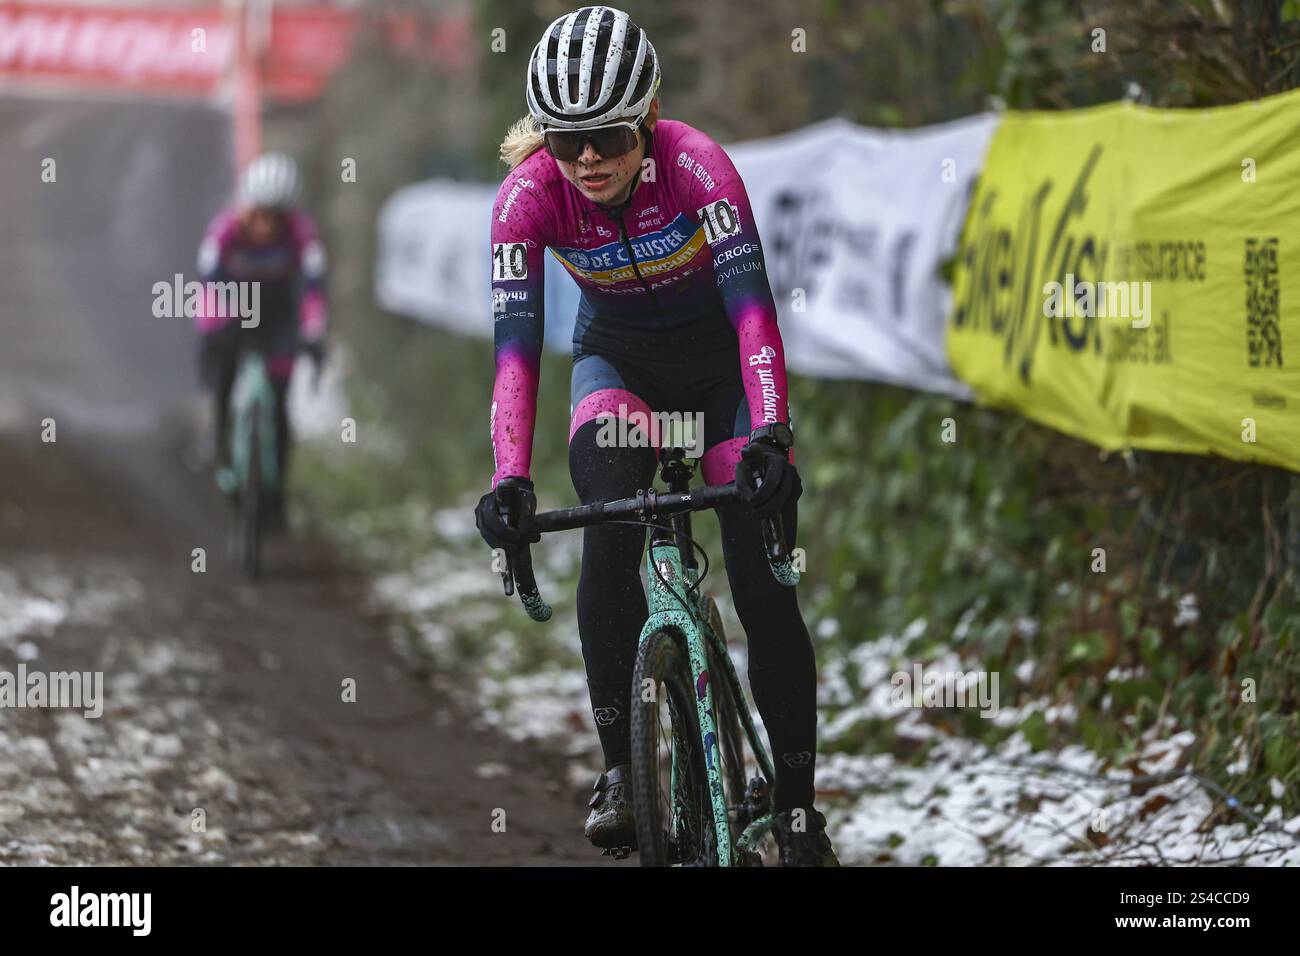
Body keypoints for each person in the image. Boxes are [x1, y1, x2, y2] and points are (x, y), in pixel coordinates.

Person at [474, 6, 839, 866]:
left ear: (646, 121)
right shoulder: (525, 200)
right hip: (621, 370)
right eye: (566, 142)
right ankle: (618, 773)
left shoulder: (699, 168)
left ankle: (795, 809)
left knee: (760, 578)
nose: (588, 159)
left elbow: (754, 315)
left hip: (720, 376)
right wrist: (510, 479)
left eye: (607, 135)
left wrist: (772, 438)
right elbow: (516, 357)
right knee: (608, 530)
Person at [194, 152, 327, 526]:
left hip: (279, 319)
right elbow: (207, 286)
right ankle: (219, 442)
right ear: (247, 207)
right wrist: (211, 331)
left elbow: (314, 290)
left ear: (288, 215)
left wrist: (313, 334)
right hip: (233, 313)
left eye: (276, 217)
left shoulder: (303, 236)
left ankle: (276, 490)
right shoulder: (223, 231)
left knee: (281, 404)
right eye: (259, 215)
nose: (266, 226)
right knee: (222, 376)